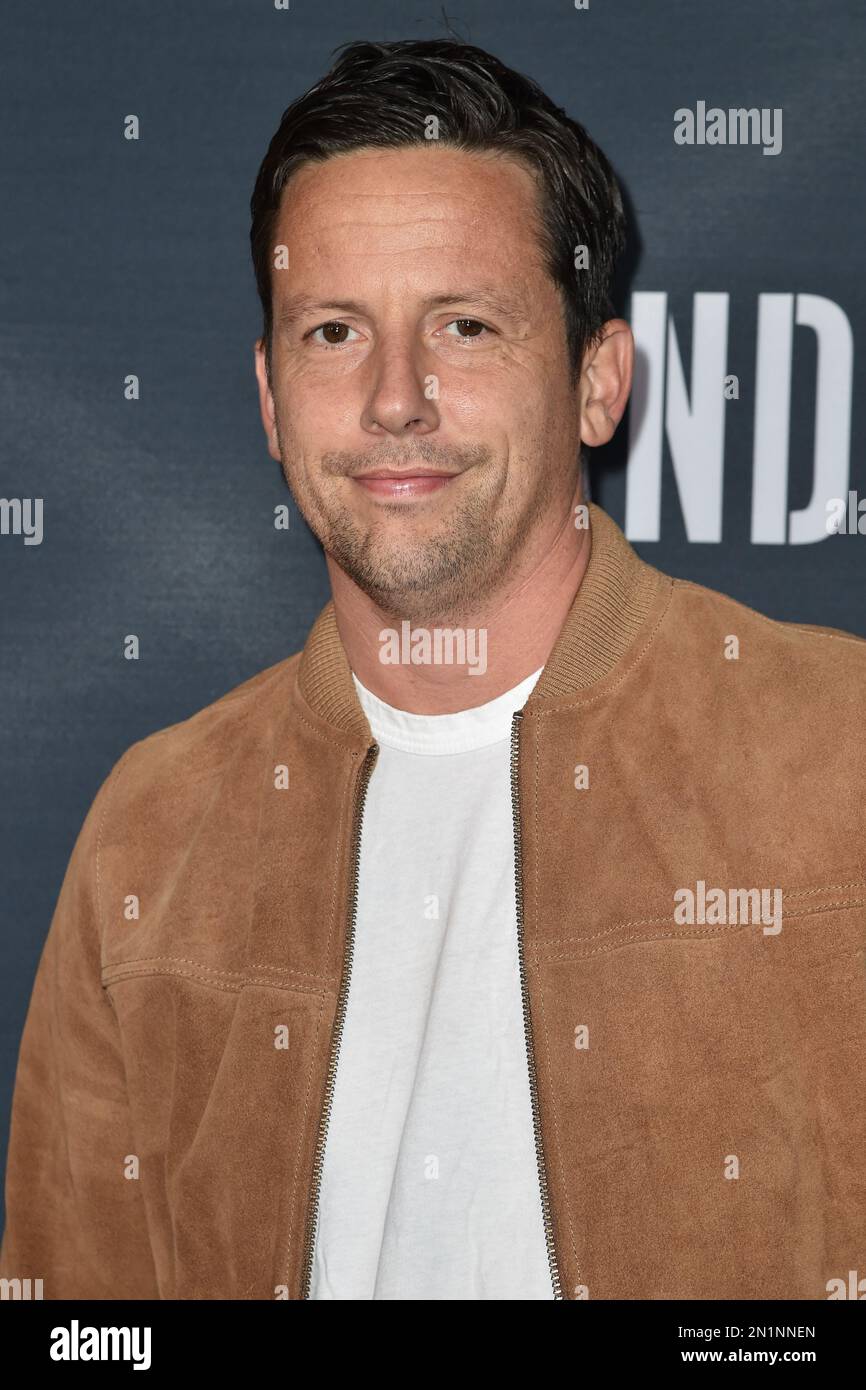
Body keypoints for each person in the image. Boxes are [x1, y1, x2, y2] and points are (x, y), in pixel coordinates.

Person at [1, 38, 864, 1302]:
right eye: (334, 330)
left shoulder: (836, 756)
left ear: (595, 382)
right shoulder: (152, 829)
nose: (394, 397)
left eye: (464, 325)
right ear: (268, 397)